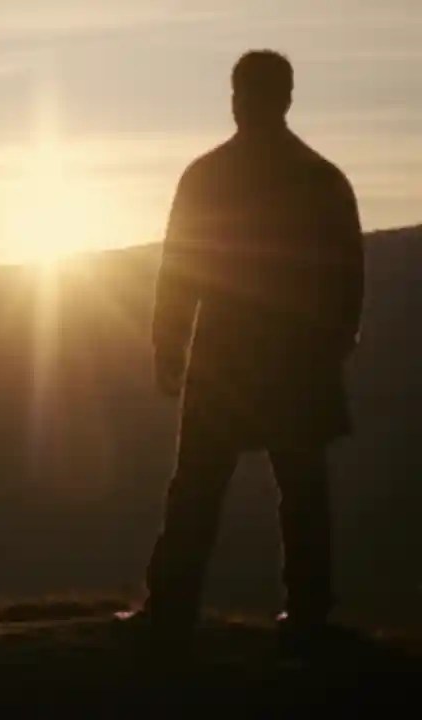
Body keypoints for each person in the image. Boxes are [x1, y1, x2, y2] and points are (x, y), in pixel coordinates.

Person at [118, 50, 365, 656]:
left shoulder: (208, 176)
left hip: (227, 359)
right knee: (301, 487)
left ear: (239, 98)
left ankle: (172, 608)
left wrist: (167, 344)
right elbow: (347, 276)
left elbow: (180, 269)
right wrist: (335, 344)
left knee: (199, 484)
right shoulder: (322, 177)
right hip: (298, 359)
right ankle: (309, 613)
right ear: (286, 98)